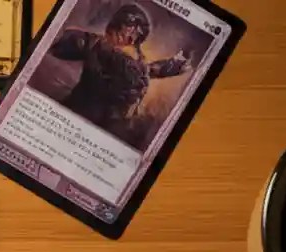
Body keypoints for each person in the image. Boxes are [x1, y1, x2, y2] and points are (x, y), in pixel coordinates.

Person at [49, 3, 191, 147]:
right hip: (76, 116)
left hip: (106, 131)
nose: (128, 39)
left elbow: (147, 71)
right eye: (125, 33)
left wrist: (171, 66)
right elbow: (60, 43)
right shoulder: (96, 44)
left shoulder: (134, 63)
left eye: (134, 37)